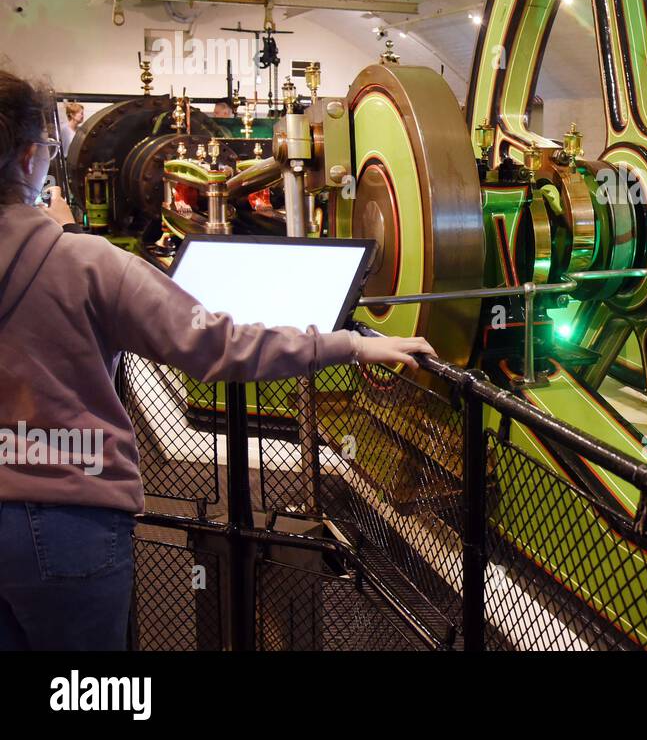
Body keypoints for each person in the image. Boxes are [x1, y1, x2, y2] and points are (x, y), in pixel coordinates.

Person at [0, 71, 434, 650]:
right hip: (66, 517)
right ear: (31, 158)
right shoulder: (82, 263)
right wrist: (350, 344)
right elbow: (215, 344)